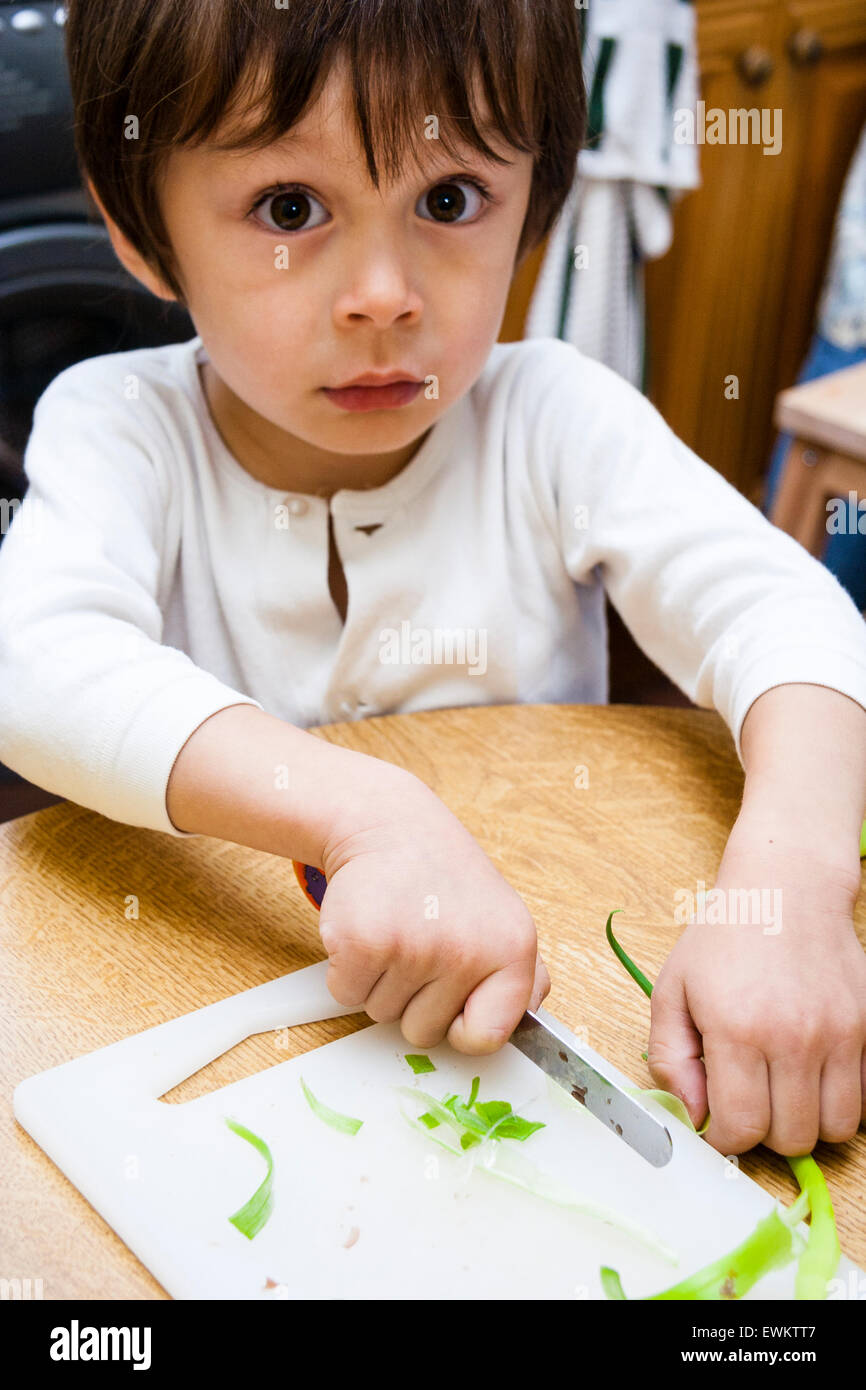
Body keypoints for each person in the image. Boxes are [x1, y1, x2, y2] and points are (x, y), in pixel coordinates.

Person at [1, 0, 865, 1165]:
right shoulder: (118, 428)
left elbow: (791, 617)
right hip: (220, 1042)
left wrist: (792, 892)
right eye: (288, 208)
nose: (382, 296)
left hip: (530, 1030)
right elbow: (34, 661)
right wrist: (365, 812)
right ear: (139, 225)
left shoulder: (555, 417)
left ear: (536, 201)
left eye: (448, 200)